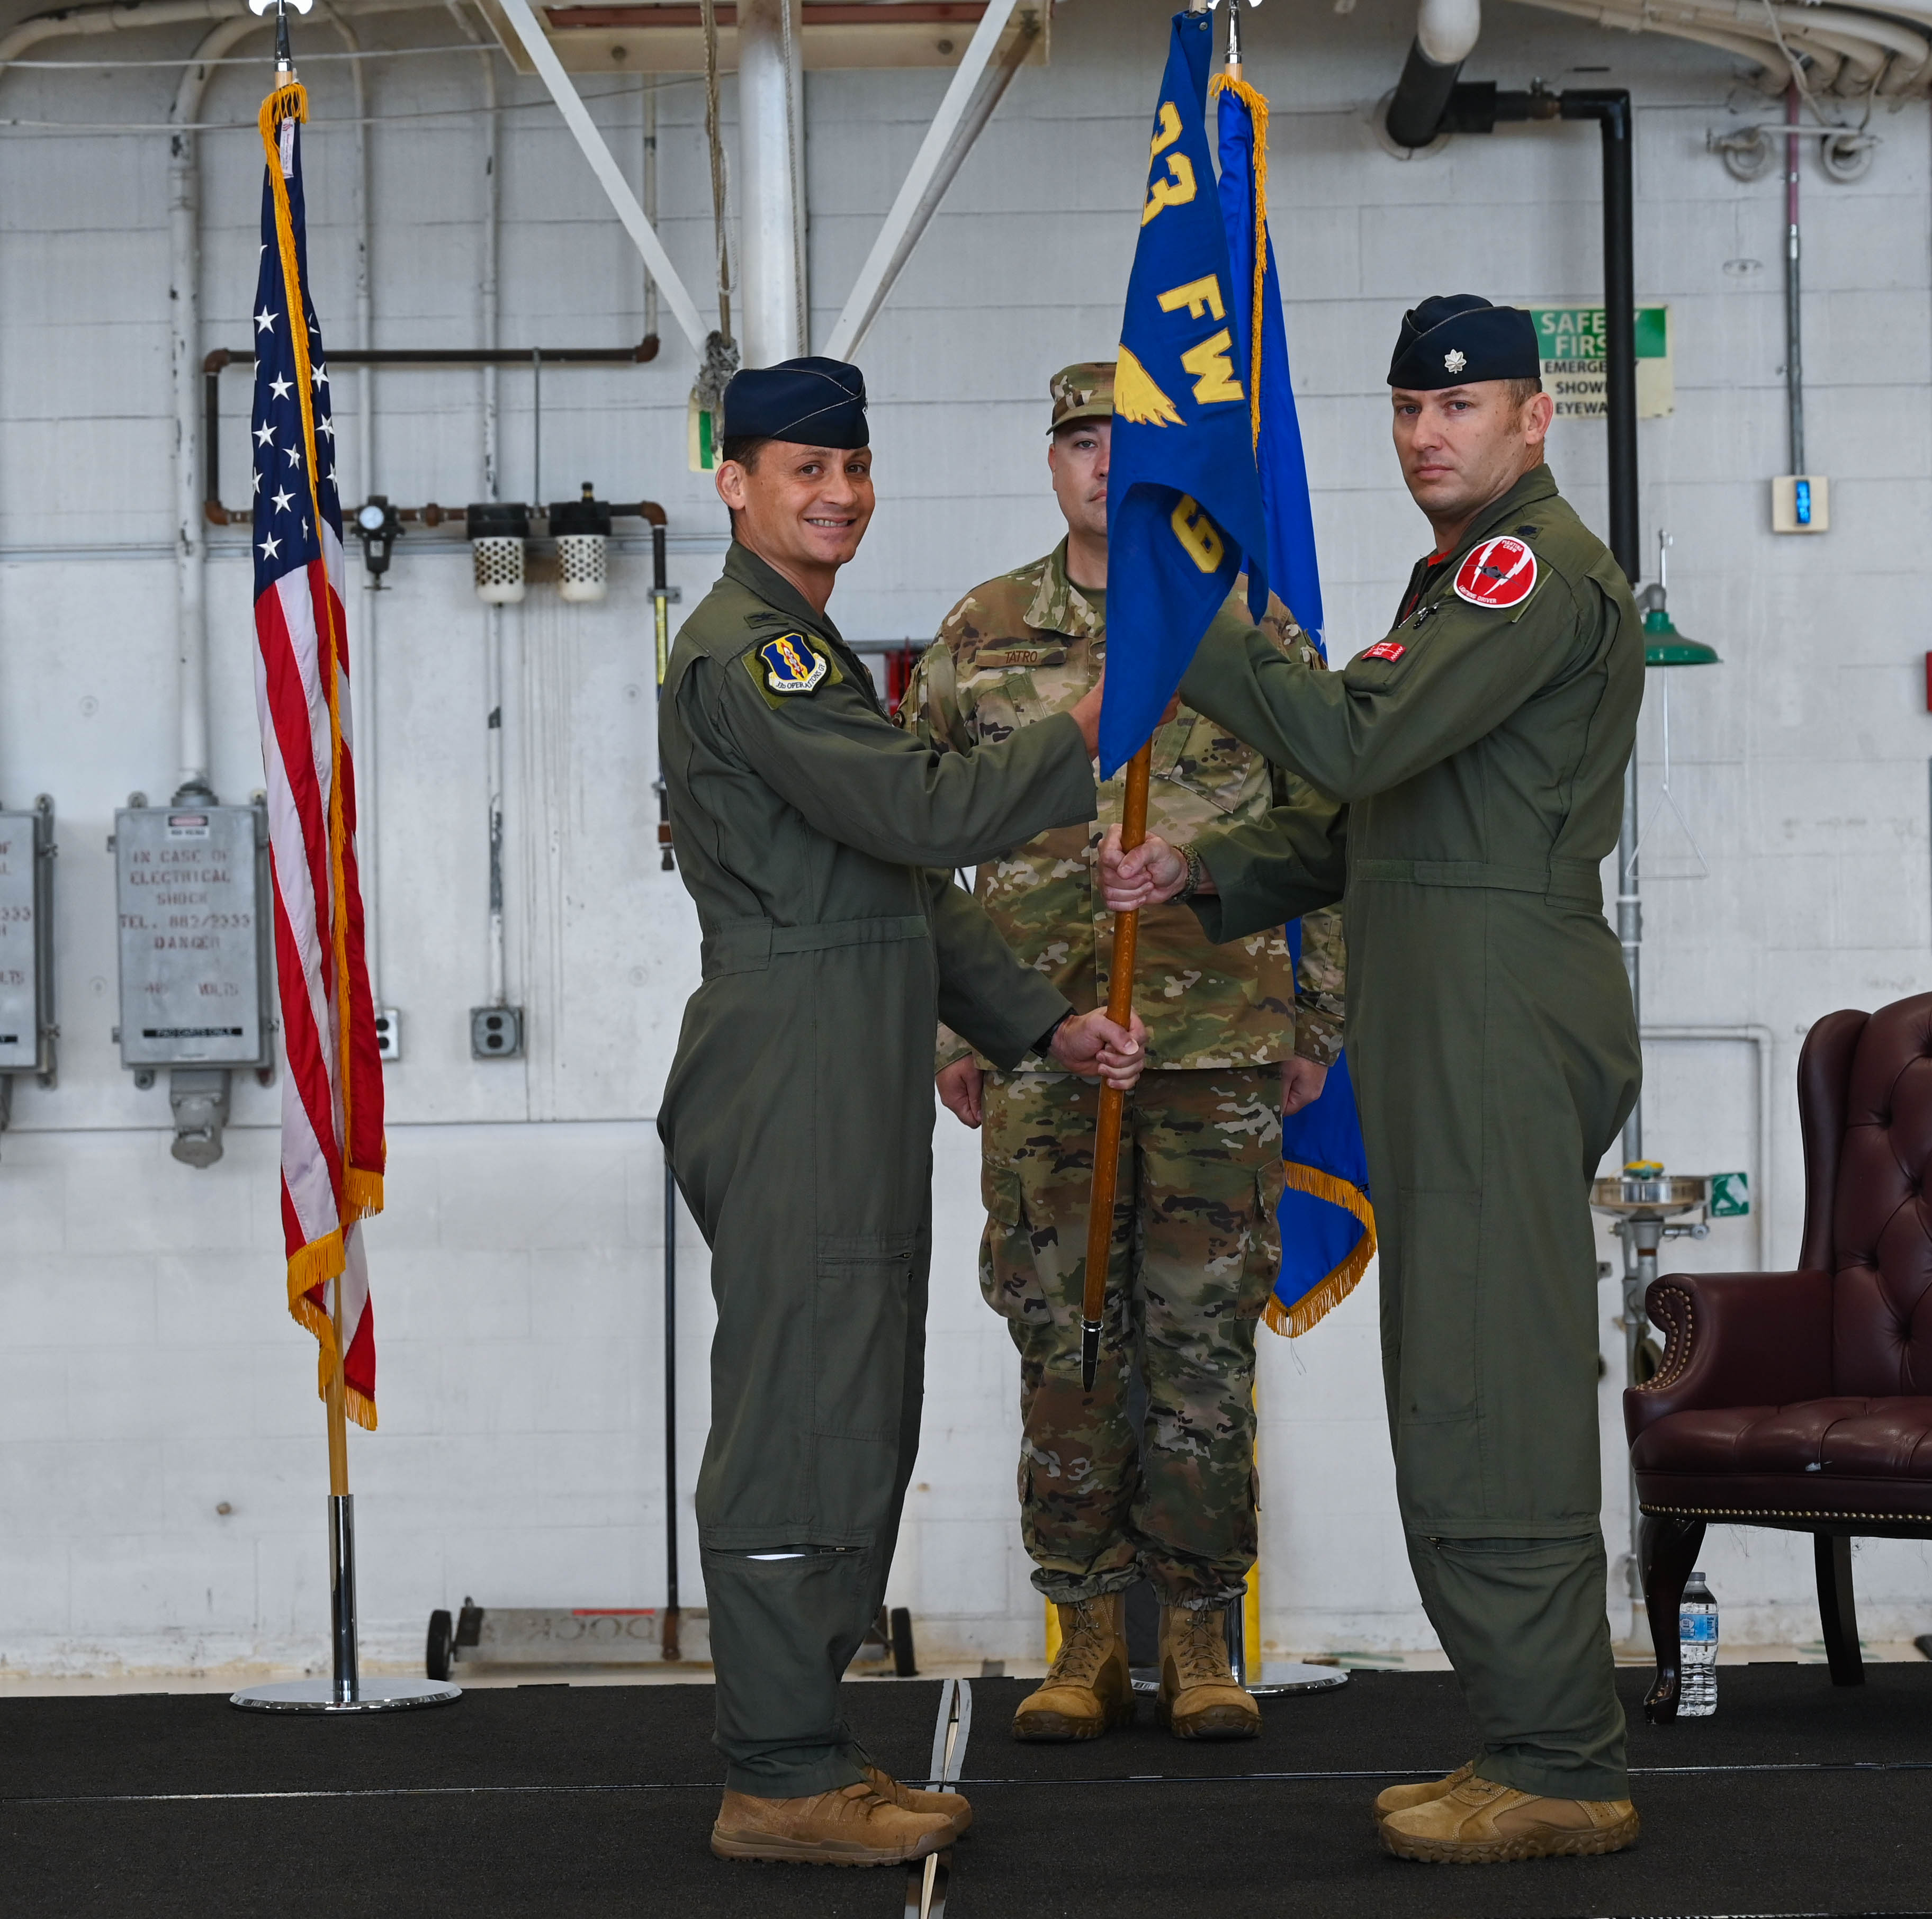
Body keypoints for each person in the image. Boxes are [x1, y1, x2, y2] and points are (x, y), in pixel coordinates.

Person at [1100, 297, 1646, 1864]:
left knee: (1494, 1378)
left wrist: (1178, 629)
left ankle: (1558, 1758)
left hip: (1494, 1004)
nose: (1426, 433)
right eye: (1408, 407)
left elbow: (1356, 739)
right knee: (1456, 1372)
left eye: (1459, 408)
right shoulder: (1455, 574)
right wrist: (1201, 873)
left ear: (1536, 418)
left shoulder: (1526, 568)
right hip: (1446, 996)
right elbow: (1368, 822)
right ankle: (1523, 1734)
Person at [659, 355, 1147, 1869]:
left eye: (854, 468)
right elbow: (925, 819)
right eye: (804, 468)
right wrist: (1090, 725)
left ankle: (806, 1744)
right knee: (804, 1408)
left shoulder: (806, 644)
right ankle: (780, 1775)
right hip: (796, 1056)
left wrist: (1042, 1023)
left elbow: (901, 890)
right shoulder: (755, 653)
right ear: (732, 481)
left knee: (853, 1396)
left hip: (843, 1044)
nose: (839, 493)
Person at [900, 361, 1345, 1745]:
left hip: (1214, 1046)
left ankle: (1204, 1634)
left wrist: (1314, 1018)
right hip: (1038, 1042)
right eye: (1082, 443)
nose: (1104, 466)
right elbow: (915, 841)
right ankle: (1084, 1630)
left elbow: (1328, 827)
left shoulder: (1247, 620)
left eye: (1128, 445)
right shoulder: (980, 632)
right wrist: (947, 1026)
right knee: (1064, 1335)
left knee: (1202, 1344)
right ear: (1051, 464)